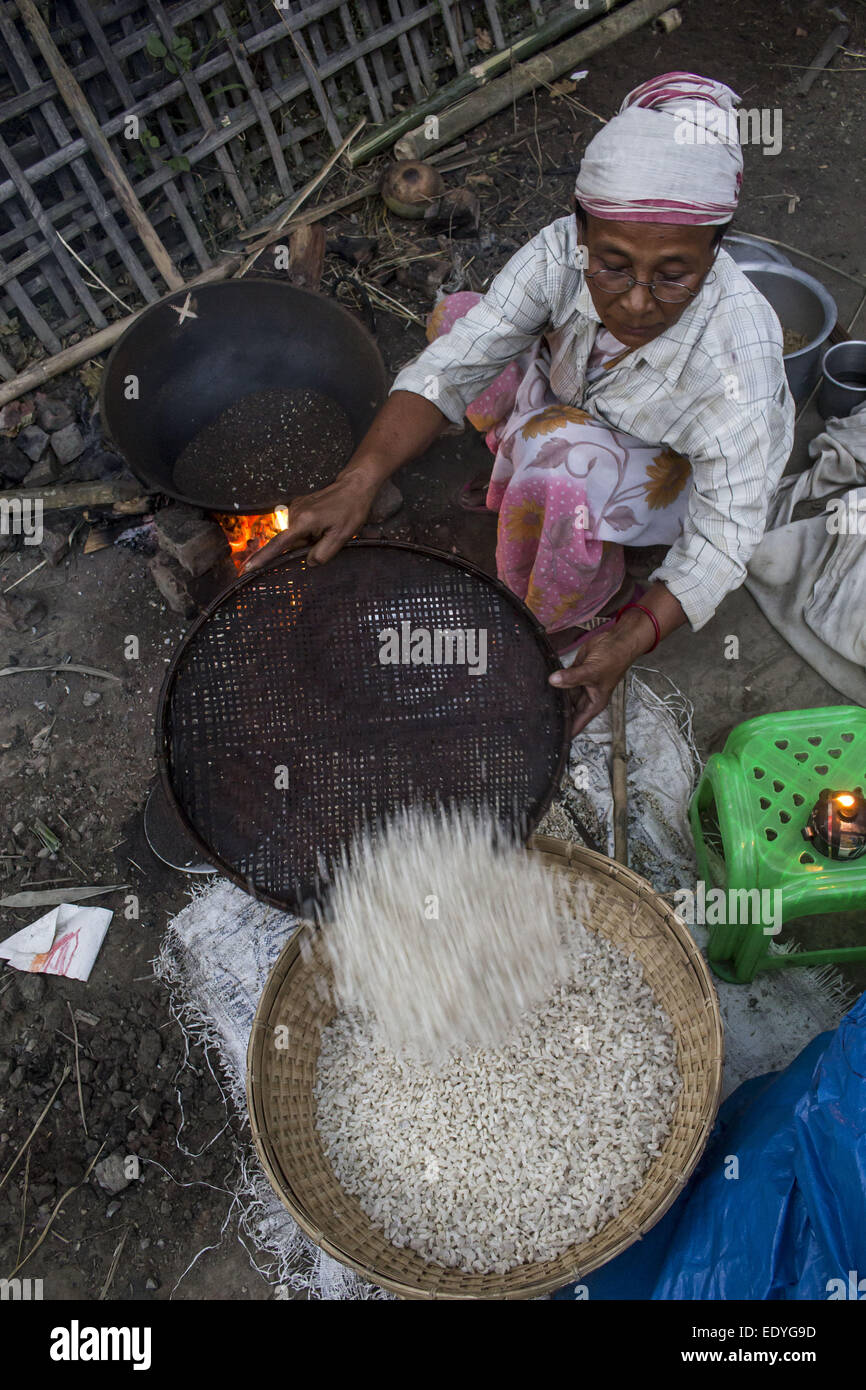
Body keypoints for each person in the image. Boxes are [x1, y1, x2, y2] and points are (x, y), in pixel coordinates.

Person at [248, 72, 795, 735]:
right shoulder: (558, 253)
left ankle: (580, 600)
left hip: (663, 478)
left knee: (553, 460)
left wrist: (626, 642)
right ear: (580, 226)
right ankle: (525, 476)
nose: (638, 301)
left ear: (716, 253)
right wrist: (360, 478)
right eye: (613, 265)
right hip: (572, 400)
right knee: (459, 317)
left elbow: (726, 535)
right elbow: (461, 359)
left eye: (674, 275)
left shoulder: (740, 350)